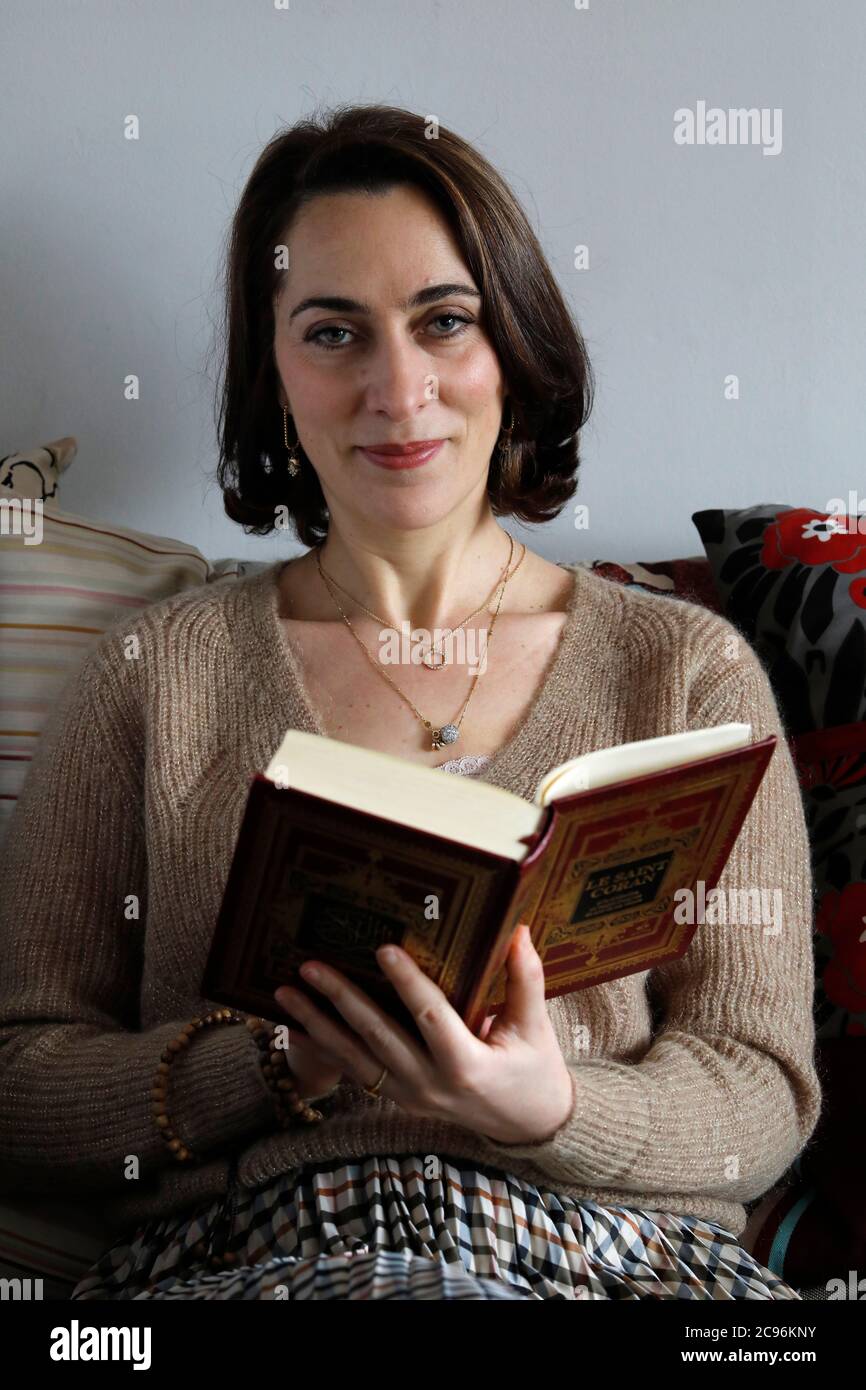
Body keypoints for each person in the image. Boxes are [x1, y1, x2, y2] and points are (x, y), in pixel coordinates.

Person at [0, 104, 821, 1301]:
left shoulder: (684, 670)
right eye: (333, 332)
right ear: (272, 372)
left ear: (516, 347)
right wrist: (275, 1065)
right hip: (259, 1257)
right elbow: (21, 1080)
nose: (398, 389)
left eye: (444, 321)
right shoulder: (153, 674)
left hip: (626, 1265)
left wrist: (553, 1106)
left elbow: (764, 1087)